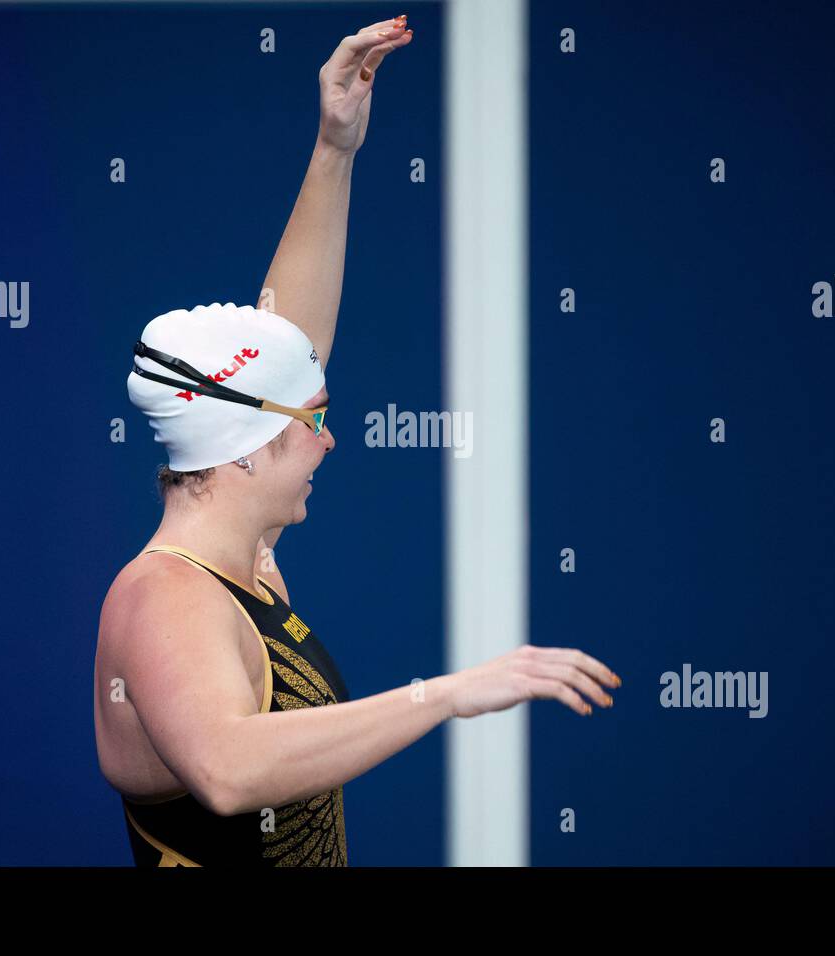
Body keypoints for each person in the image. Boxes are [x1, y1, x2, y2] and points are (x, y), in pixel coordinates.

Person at [93, 14, 620, 867]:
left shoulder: (243, 557)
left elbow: (286, 354)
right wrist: (446, 694)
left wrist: (336, 149)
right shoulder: (165, 599)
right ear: (245, 450)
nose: (331, 444)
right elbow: (225, 768)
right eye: (317, 424)